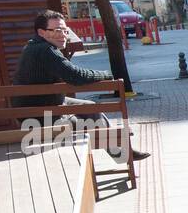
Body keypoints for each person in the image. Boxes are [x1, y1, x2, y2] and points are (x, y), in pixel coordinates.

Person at [12, 9, 148, 159]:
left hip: (40, 108)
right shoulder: (45, 50)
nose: (63, 34)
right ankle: (121, 153)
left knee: (91, 107)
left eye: (65, 30)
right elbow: (76, 76)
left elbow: (71, 73)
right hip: (42, 118)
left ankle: (121, 152)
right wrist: (108, 75)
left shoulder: (33, 46)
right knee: (93, 122)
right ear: (41, 32)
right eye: (57, 30)